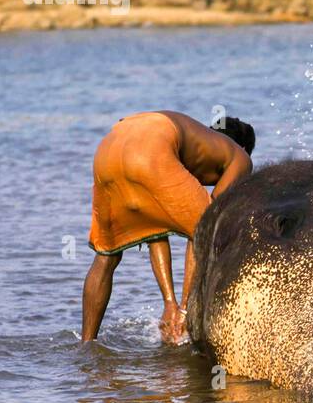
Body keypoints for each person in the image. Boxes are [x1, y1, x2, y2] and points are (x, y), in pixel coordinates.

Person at [81, 111, 255, 344]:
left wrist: (169, 301)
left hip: (109, 148)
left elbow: (156, 228)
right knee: (205, 226)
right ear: (243, 146)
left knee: (106, 256)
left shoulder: (194, 145)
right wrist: (181, 307)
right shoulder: (240, 156)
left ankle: (86, 344)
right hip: (153, 144)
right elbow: (205, 225)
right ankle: (180, 318)